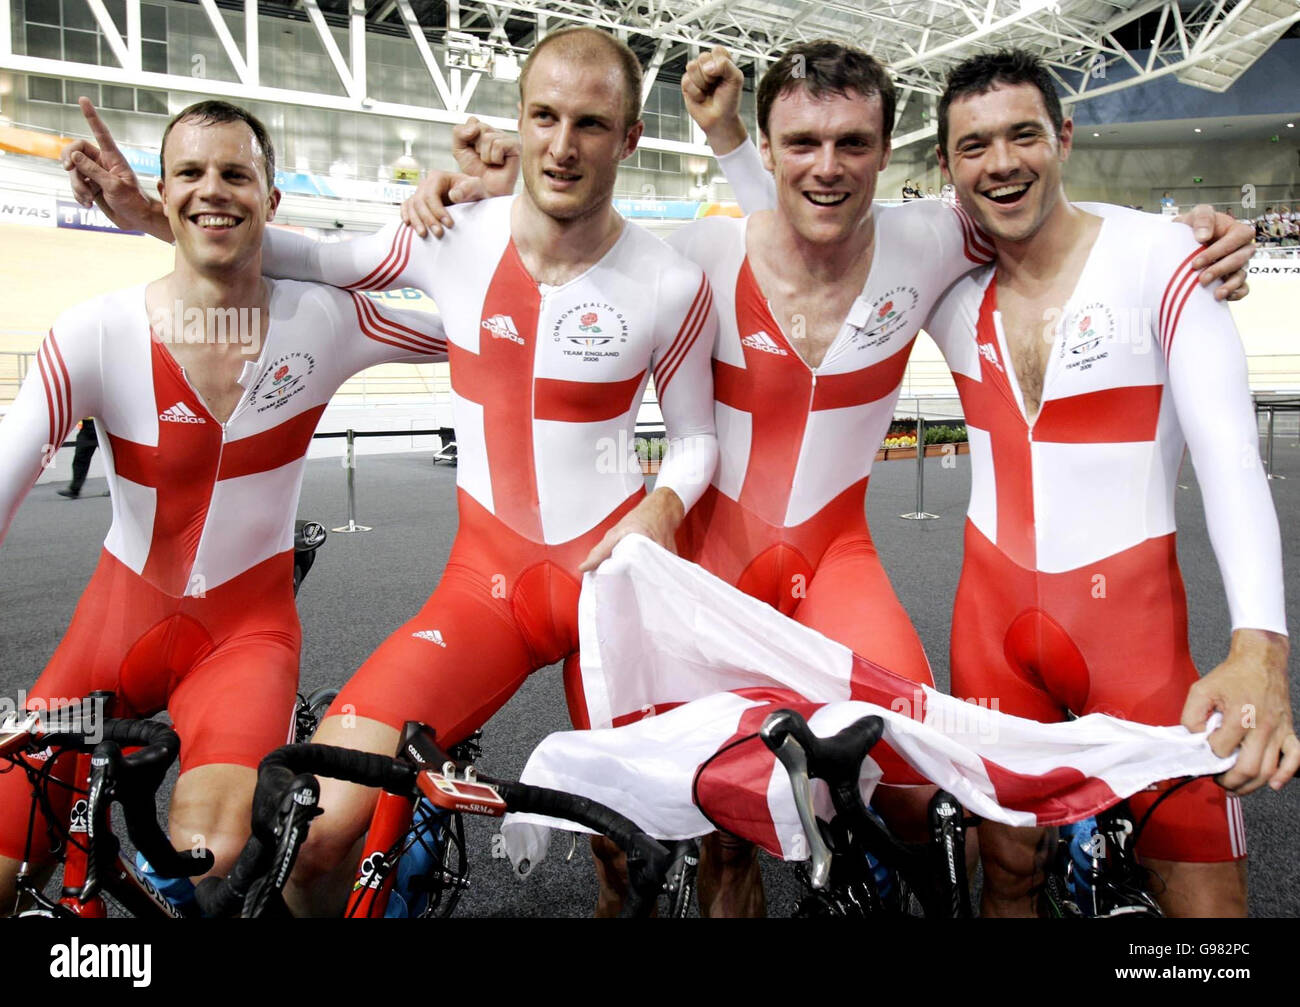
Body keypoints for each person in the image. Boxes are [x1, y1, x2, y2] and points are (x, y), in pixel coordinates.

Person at [403, 40, 1254, 917]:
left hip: (837, 564)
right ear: (764, 151)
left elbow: (1038, 207)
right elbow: (578, 229)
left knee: (919, 798)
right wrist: (490, 197)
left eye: (855, 144)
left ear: (888, 155)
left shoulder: (929, 242)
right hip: (711, 579)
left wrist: (1179, 235)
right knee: (720, 842)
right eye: (801, 144)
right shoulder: (691, 251)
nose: (829, 166)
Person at [68, 27, 720, 918]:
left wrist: (663, 509)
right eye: (545, 117)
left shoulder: (670, 280)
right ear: (518, 123)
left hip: (614, 587)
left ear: (632, 137)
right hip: (484, 589)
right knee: (320, 825)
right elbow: (302, 256)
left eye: (592, 125)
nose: (564, 145)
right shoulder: (452, 236)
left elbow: (695, 439)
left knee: (632, 857)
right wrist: (154, 215)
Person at [0, 99, 448, 908]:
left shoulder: (326, 320)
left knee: (206, 874)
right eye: (192, 176)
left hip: (243, 639)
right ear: (161, 195)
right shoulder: (94, 332)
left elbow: (480, 328)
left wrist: (464, 216)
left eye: (237, 176)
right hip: (112, 632)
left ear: (273, 202)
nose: (214, 190)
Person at [923, 49, 1294, 917]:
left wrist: (1260, 649)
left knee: (1209, 909)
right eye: (974, 145)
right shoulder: (946, 282)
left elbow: (1232, 453)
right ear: (947, 167)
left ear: (1066, 136)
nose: (1002, 162)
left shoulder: (1165, 256)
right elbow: (802, 227)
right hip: (993, 634)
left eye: (1023, 134)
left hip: (1134, 637)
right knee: (1006, 879)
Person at [56, 417, 98, 498]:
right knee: (80, 457)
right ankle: (74, 490)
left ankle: (118, 488)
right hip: (87, 425)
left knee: (112, 459)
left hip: (102, 424)